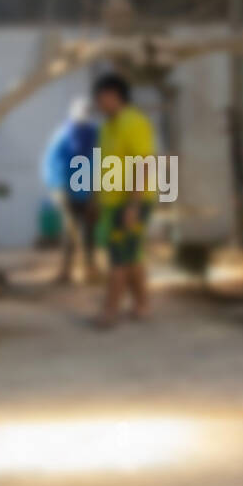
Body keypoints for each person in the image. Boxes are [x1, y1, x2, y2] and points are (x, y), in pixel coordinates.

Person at [92, 73, 157, 327]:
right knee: (131, 255)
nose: (98, 105)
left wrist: (133, 205)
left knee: (118, 257)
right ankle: (142, 305)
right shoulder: (107, 126)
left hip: (132, 201)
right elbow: (105, 165)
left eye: (100, 99)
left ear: (112, 95)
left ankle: (109, 312)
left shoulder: (134, 122)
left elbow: (142, 163)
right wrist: (97, 200)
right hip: (113, 202)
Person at [41, 97, 99, 283]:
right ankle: (66, 271)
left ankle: (89, 268)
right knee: (70, 231)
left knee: (89, 231)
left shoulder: (96, 135)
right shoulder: (63, 136)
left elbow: (101, 161)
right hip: (68, 191)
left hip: (90, 191)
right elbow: (52, 163)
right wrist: (57, 188)